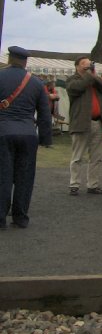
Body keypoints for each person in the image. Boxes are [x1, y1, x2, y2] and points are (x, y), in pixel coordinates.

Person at [0, 46, 52, 229]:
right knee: (25, 176)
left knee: (3, 175)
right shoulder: (37, 83)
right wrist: (46, 139)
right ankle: (20, 217)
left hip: (3, 132)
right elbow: (45, 114)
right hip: (28, 134)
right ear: (25, 62)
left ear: (9, 59)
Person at [66, 56, 102, 195]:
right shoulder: (72, 80)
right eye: (84, 64)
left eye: (89, 64)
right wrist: (88, 76)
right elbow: (77, 88)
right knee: (77, 156)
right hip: (81, 123)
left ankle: (93, 185)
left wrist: (94, 75)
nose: (87, 66)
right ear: (77, 66)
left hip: (97, 122)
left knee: (96, 157)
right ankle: (74, 184)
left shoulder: (93, 80)